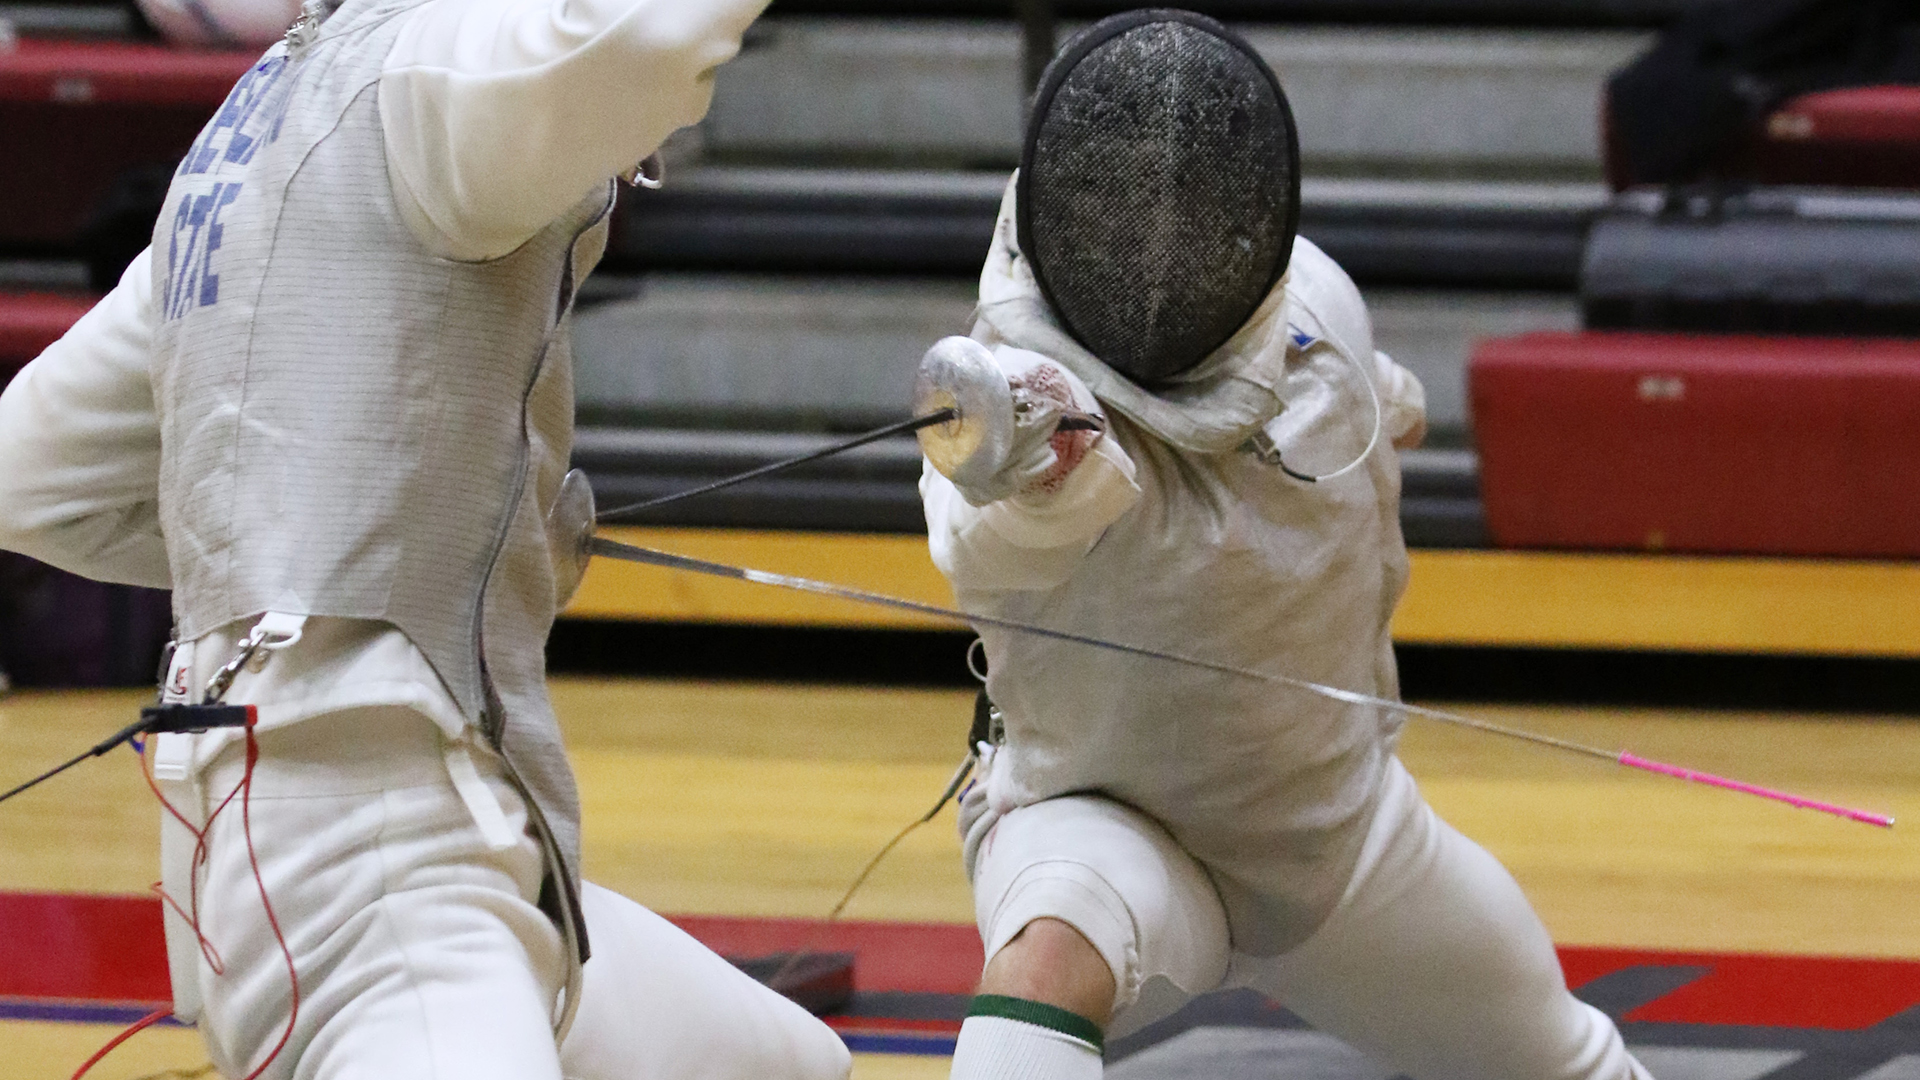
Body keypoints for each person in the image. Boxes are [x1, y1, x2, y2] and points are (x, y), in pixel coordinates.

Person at [0, 0, 852, 1077]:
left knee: (784, 1066)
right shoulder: (424, 71)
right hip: (375, 880)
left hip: (415, 849)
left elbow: (30, 473)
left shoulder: (249, 131)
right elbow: (636, 36)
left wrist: (365, 522)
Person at [918, 12, 1652, 1080]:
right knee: (1045, 962)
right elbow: (1006, 539)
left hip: (1333, 842)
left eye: (1186, 211)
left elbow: (1366, 392)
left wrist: (1391, 408)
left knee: (1573, 1064)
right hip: (1104, 819)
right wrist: (1043, 464)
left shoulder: (1313, 303)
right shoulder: (1003, 429)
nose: (1156, 244)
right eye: (1120, 207)